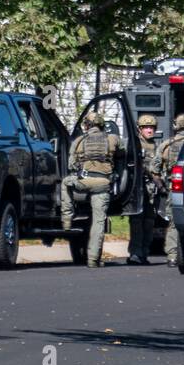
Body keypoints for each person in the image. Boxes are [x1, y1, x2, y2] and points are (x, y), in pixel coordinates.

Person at [61, 110, 121, 268]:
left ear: (86, 125)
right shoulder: (112, 139)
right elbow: (124, 154)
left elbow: (71, 165)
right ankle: (93, 259)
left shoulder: (79, 141)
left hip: (84, 183)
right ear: (102, 125)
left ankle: (67, 219)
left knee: (66, 182)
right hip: (102, 183)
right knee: (98, 222)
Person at [153, 113, 184, 266]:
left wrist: (162, 187)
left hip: (175, 188)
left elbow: (154, 170)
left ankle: (172, 255)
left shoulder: (166, 145)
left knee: (173, 222)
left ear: (176, 126)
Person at [127, 114, 159, 264]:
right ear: (139, 129)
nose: (149, 130)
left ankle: (144, 253)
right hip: (138, 189)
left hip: (152, 190)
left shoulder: (157, 147)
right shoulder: (134, 145)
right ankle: (135, 253)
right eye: (146, 127)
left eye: (151, 127)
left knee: (149, 222)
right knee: (136, 222)